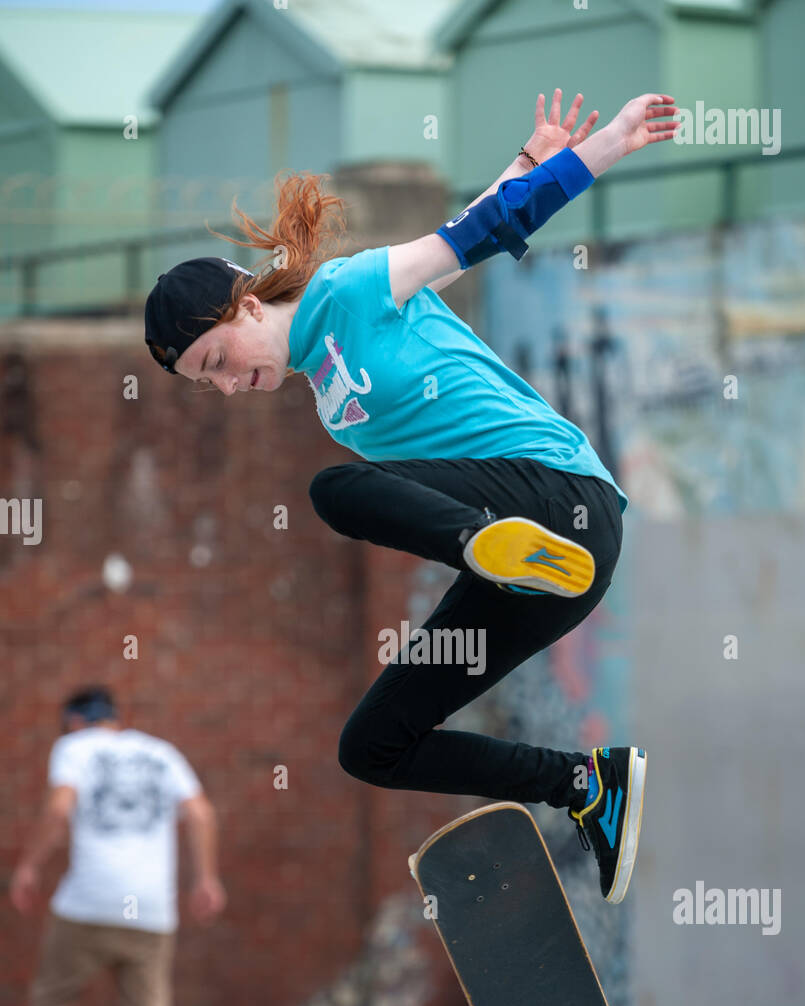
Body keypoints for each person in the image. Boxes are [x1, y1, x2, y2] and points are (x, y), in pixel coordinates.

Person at [144, 89, 680, 904]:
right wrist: (526, 159)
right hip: (548, 573)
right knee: (373, 746)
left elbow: (476, 235)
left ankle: (486, 543)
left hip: (560, 495)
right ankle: (586, 786)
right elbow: (482, 214)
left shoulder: (352, 290)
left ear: (247, 304)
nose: (224, 387)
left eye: (216, 361)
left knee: (336, 488)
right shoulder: (325, 393)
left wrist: (606, 142)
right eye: (204, 385)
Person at [9, 687, 226, 1006]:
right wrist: (205, 879)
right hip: (151, 910)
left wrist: (28, 866)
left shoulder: (74, 747)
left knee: (51, 1000)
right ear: (115, 719)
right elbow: (201, 812)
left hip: (86, 904)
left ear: (72, 722)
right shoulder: (160, 752)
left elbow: (59, 809)